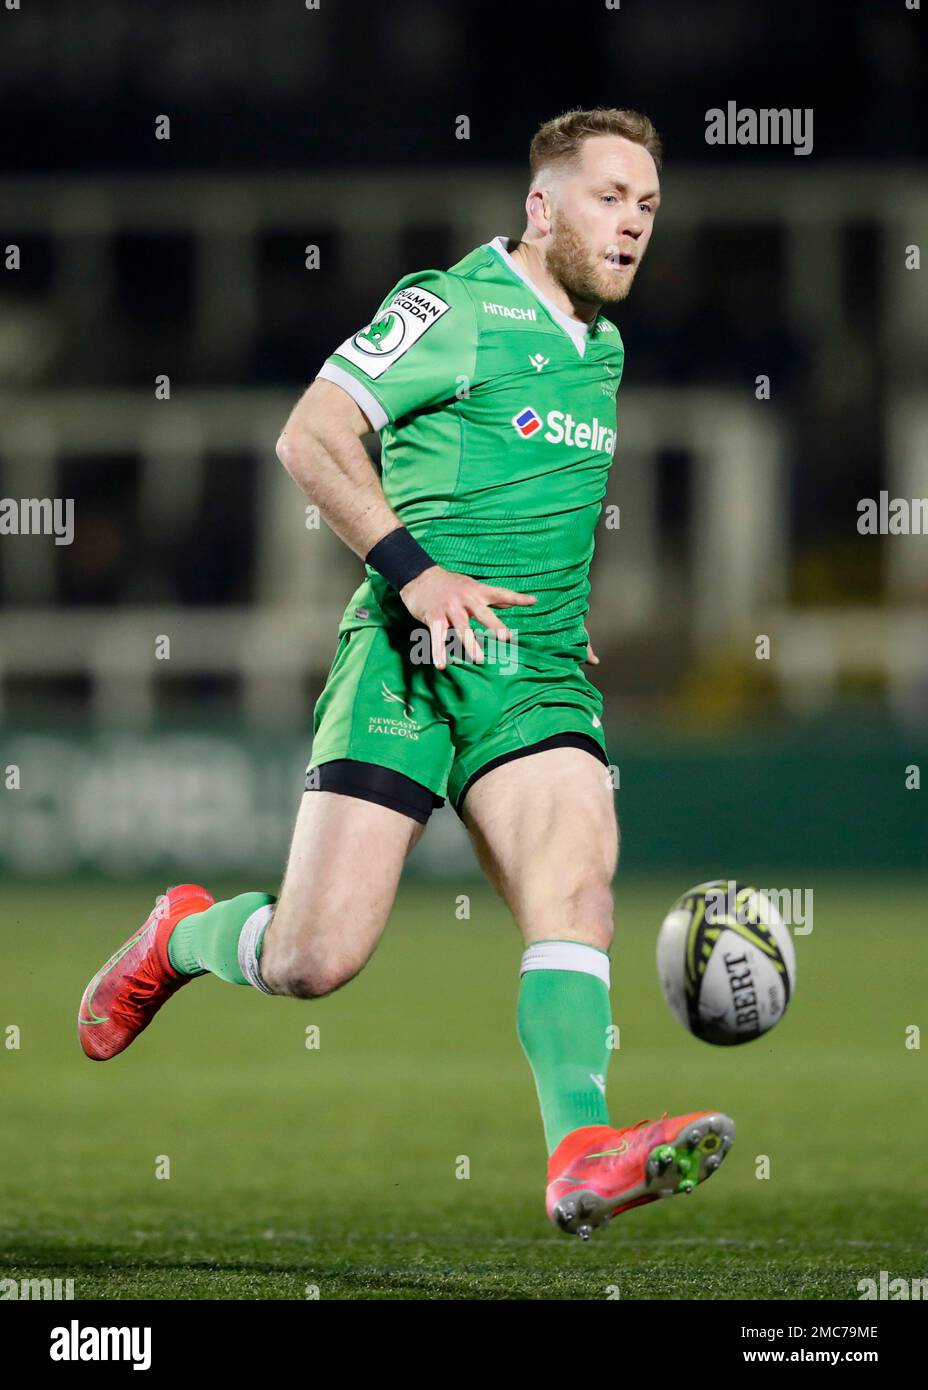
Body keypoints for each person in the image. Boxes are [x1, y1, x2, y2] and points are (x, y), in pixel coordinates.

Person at [78, 107, 734, 1240]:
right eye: (607, 197)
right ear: (541, 206)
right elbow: (310, 434)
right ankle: (183, 933)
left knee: (576, 887)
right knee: (314, 958)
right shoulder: (455, 306)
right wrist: (414, 570)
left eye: (646, 206)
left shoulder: (607, 347)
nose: (631, 224)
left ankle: (580, 1150)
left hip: (530, 678)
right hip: (407, 655)